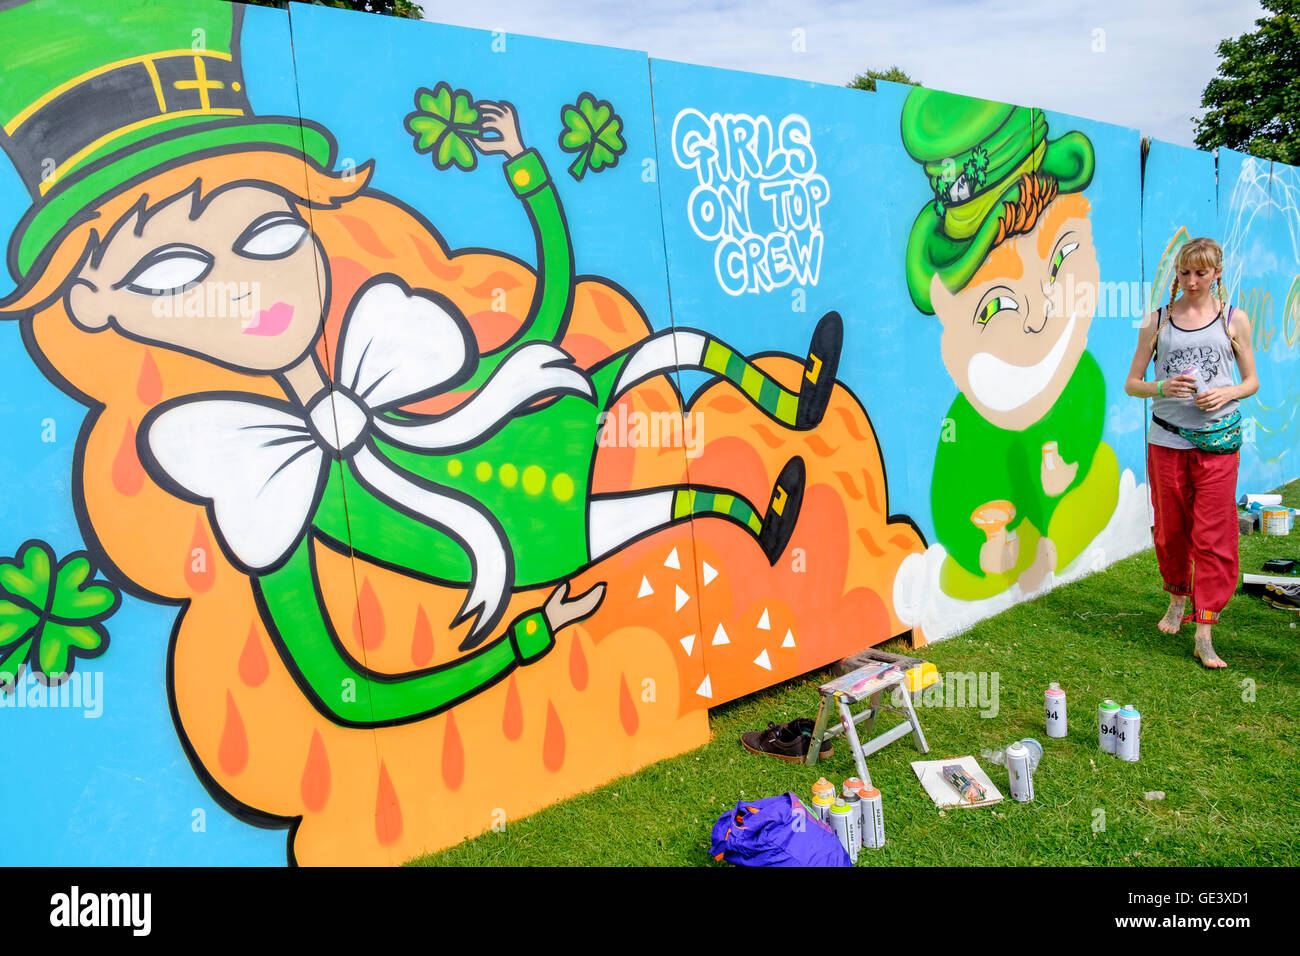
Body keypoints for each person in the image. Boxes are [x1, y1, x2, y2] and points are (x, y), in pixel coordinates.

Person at [1124, 237, 1258, 668]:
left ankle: (1204, 630)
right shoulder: (1157, 322)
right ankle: (1177, 601)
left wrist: (1227, 393)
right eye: (1185, 272)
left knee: (1214, 533)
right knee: (1170, 529)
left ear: (1217, 273)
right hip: (1167, 439)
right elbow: (1132, 383)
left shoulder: (1234, 320)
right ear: (1177, 274)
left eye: (1201, 273)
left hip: (1218, 443)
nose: (1192, 281)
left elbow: (1251, 380)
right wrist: (1161, 387)